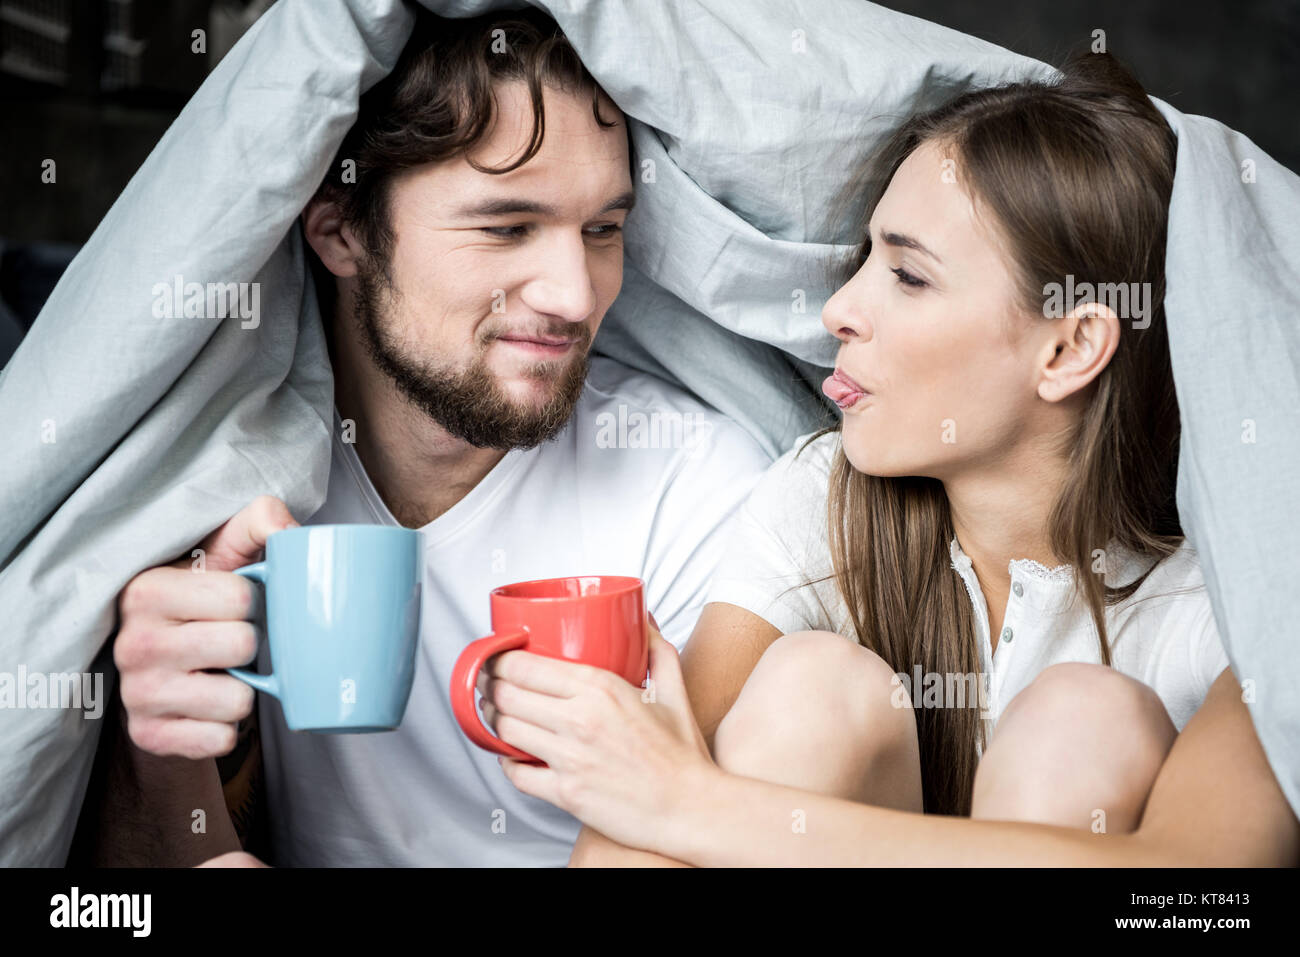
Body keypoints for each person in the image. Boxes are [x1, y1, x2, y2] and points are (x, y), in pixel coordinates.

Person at [474, 50, 1300, 866]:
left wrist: (691, 802)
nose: (837, 309)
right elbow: (632, 830)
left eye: (908, 276)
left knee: (1083, 721)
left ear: (1070, 347)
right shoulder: (820, 503)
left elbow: (1205, 895)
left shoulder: (1226, 602)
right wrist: (658, 784)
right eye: (865, 258)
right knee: (815, 685)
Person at [92, 8, 771, 867]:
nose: (575, 295)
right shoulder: (226, 495)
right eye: (506, 227)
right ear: (341, 229)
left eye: (603, 229)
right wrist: (160, 752)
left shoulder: (696, 484)